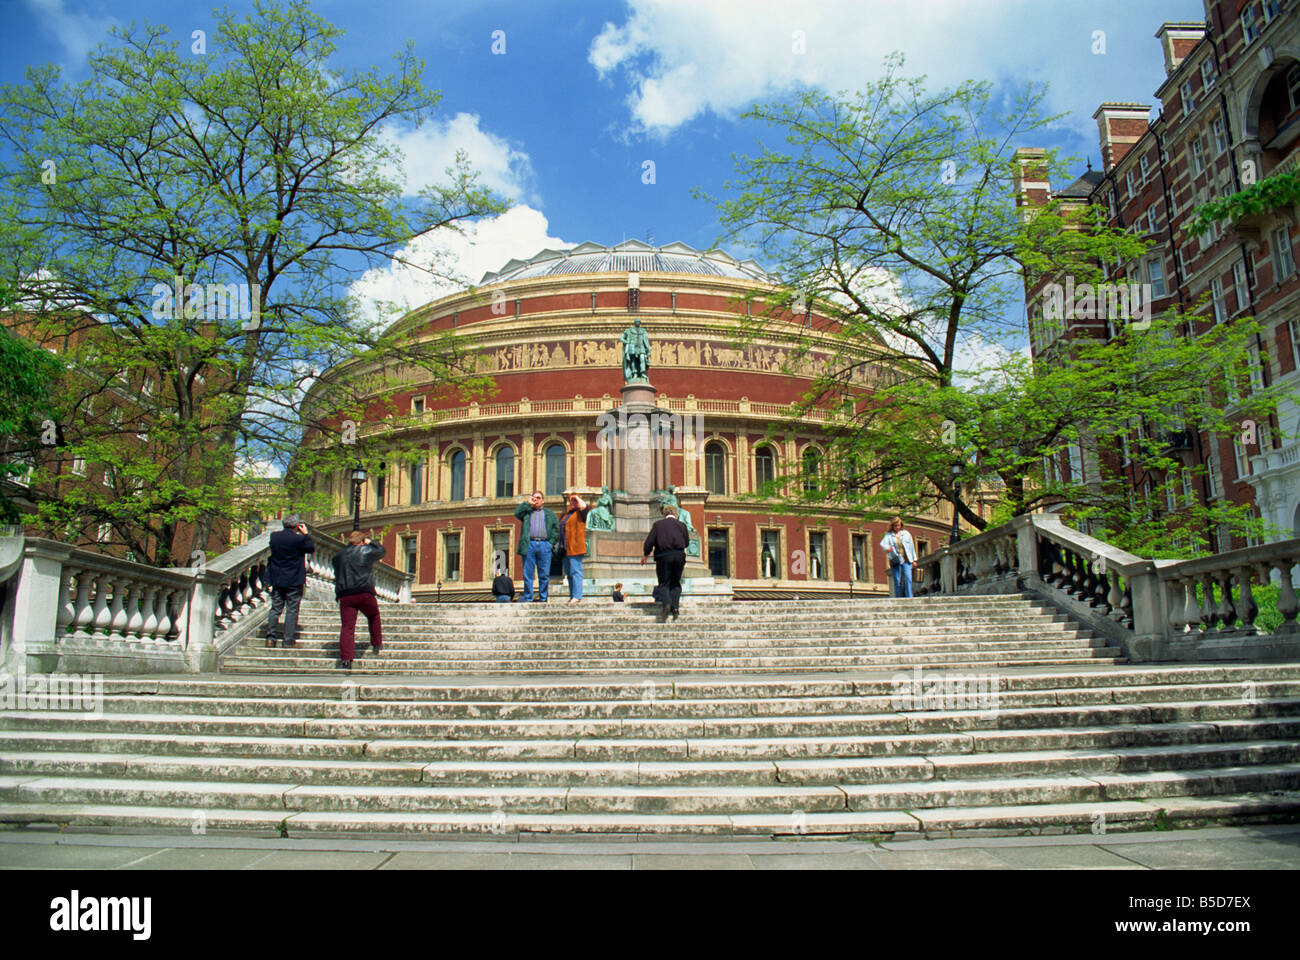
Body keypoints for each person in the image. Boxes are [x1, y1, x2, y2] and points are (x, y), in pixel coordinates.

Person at [332, 530, 386, 669]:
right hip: (364, 591)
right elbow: (381, 550)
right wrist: (371, 542)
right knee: (373, 615)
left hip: (345, 594)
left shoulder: (338, 557)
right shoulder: (366, 551)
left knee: (347, 626)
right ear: (362, 542)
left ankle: (346, 659)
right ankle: (376, 643)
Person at [265, 515, 314, 648]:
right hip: (294, 578)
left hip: (277, 577)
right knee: (292, 610)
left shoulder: (274, 537)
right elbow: (310, 548)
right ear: (296, 525)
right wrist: (306, 534)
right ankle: (288, 640)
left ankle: (270, 637)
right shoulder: (299, 539)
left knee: (275, 608)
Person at [641, 503, 689, 620]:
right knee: (675, 583)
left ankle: (667, 603)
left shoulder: (658, 525)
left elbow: (649, 542)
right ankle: (676, 608)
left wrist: (646, 554)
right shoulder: (681, 525)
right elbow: (686, 542)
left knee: (664, 583)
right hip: (678, 556)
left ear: (664, 514)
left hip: (663, 556)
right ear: (675, 514)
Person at [513, 490, 559, 602]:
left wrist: (550, 543)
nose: (535, 500)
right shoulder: (527, 512)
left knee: (544, 574)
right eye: (534, 498)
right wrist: (528, 504)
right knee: (528, 574)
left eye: (538, 498)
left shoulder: (549, 514)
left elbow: (555, 529)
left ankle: (543, 598)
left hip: (544, 545)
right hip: (529, 545)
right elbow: (516, 513)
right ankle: (529, 598)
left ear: (543, 501)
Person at [558, 492, 590, 603]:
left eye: (574, 501)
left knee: (576, 571)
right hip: (565, 549)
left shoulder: (581, 513)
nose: (572, 503)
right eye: (570, 501)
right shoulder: (567, 515)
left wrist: (577, 498)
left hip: (575, 547)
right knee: (569, 573)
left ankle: (577, 596)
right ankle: (572, 596)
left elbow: (585, 507)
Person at [881, 516, 918, 598]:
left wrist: (914, 560)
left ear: (901, 525)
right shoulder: (889, 535)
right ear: (892, 526)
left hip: (907, 559)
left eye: (898, 525)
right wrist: (887, 548)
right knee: (897, 580)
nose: (897, 527)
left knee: (908, 578)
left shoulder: (906, 534)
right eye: (895, 525)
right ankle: (899, 597)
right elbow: (883, 544)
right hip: (896, 559)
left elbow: (911, 546)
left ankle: (909, 597)